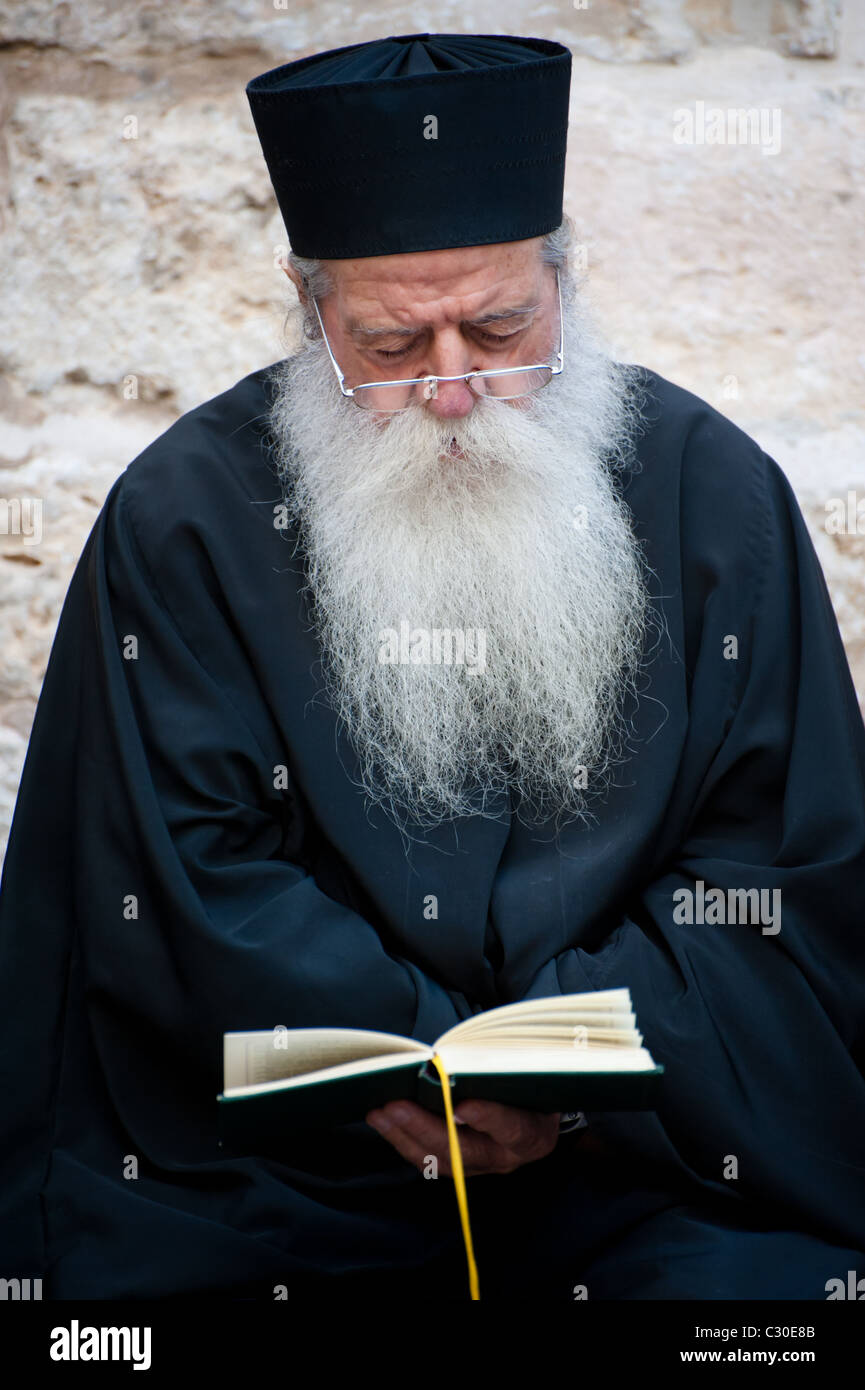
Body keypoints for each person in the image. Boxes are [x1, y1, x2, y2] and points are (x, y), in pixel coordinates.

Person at [0, 32, 863, 1302]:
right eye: (395, 348)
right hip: (285, 1169)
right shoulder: (185, 517)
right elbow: (178, 878)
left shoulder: (711, 497)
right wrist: (427, 1062)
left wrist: (561, 1091)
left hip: (650, 1161)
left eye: (501, 326)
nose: (456, 389)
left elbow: (776, 876)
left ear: (563, 287)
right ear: (314, 315)